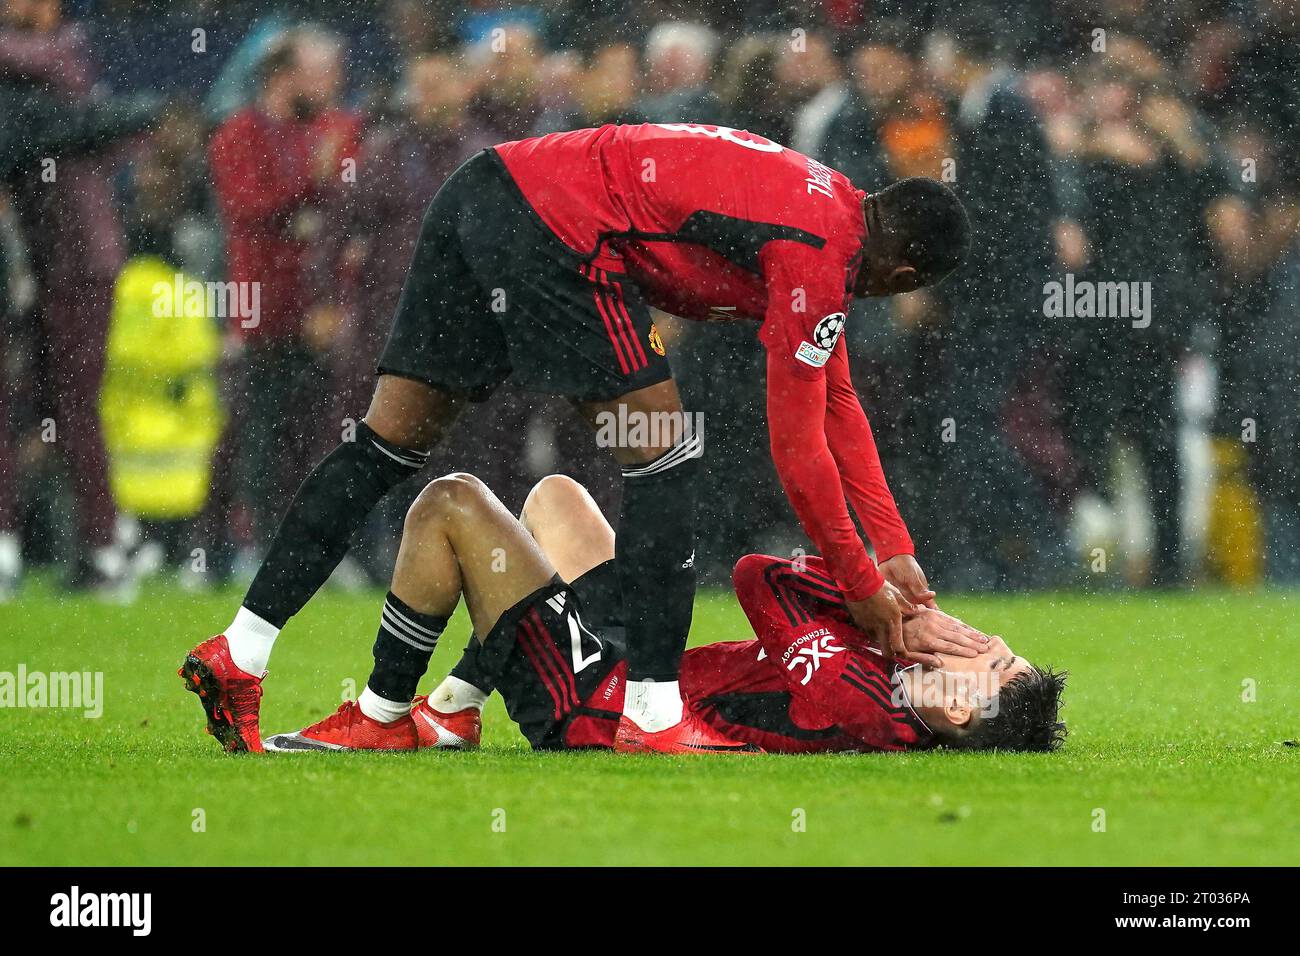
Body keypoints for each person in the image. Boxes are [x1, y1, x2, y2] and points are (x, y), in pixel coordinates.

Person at [181, 121, 970, 756]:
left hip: (482, 190)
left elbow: (840, 405)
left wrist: (892, 550)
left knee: (386, 446)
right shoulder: (820, 255)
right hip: (559, 232)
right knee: (665, 455)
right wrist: (859, 584)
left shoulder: (827, 204)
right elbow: (798, 452)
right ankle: (655, 717)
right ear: (902, 278)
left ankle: (243, 650)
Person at [258, 473, 1067, 755]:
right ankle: (457, 710)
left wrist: (886, 613)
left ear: (959, 705)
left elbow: (760, 579)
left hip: (599, 707)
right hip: (641, 661)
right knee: (556, 502)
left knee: (453, 504)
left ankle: (384, 713)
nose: (987, 639)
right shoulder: (888, 683)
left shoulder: (866, 701)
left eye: (995, 661)